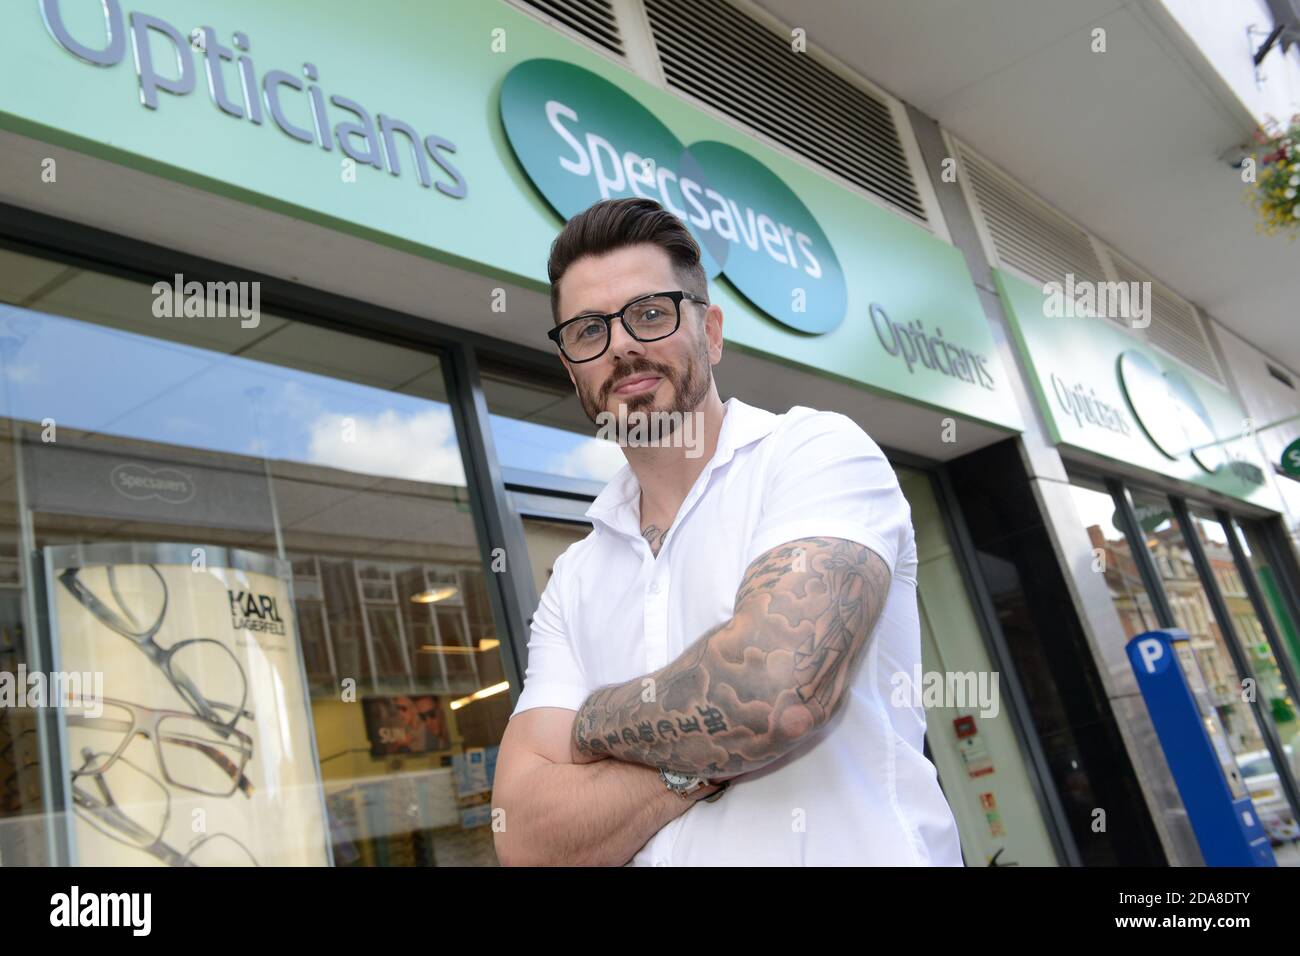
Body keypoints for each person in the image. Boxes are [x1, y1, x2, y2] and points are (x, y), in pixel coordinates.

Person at [492, 197, 963, 867]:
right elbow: (526, 838)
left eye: (650, 314)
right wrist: (696, 757)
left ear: (710, 331)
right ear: (572, 369)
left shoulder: (814, 452)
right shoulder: (575, 577)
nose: (621, 345)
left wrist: (588, 725)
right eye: (588, 331)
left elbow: (776, 695)